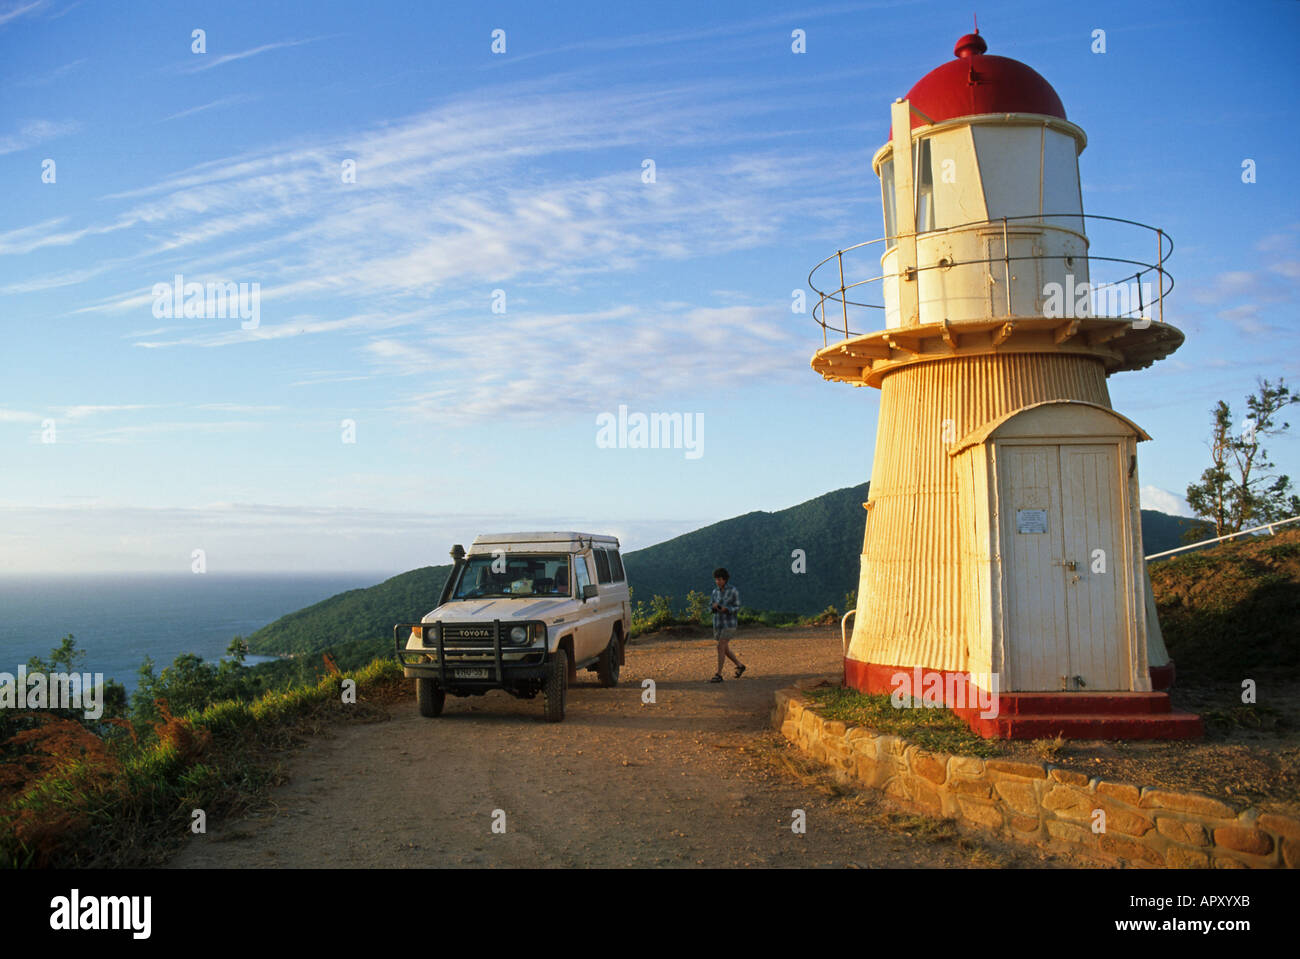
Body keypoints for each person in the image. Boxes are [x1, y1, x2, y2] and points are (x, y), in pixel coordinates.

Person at [708, 567, 745, 683]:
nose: (717, 582)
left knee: (720, 647)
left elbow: (737, 607)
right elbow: (710, 606)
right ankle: (740, 666)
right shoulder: (714, 592)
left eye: (719, 579)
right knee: (724, 648)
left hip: (729, 623)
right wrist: (713, 608)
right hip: (718, 623)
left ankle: (718, 674)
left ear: (725, 579)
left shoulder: (733, 590)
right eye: (716, 579)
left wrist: (727, 609)